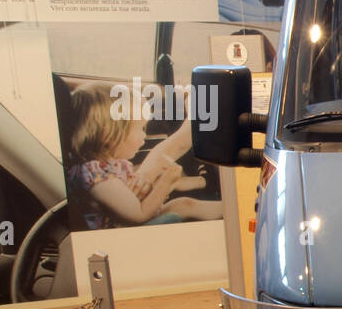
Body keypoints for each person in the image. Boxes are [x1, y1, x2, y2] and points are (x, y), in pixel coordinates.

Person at [63, 83, 223, 229]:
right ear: (109, 135)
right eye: (140, 128)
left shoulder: (109, 165)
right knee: (183, 205)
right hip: (123, 235)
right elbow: (139, 214)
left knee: (185, 204)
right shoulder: (96, 175)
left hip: (128, 223)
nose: (144, 135)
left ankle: (228, 208)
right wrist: (166, 183)